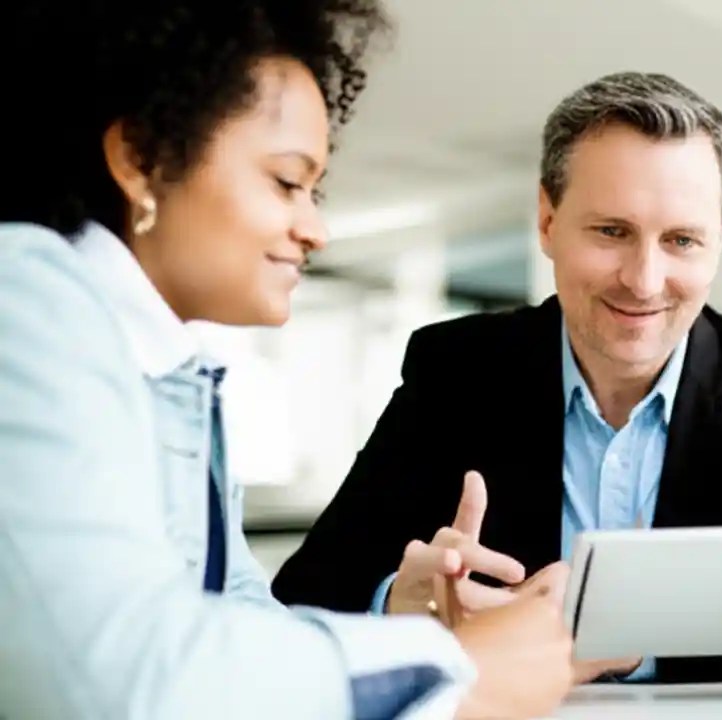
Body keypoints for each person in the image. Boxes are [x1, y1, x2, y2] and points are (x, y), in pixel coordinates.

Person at [0, 2, 573, 718]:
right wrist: (452, 667)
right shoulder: (24, 296)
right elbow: (117, 672)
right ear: (142, 157)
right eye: (285, 182)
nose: (315, 229)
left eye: (315, 191)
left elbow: (237, 618)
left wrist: (401, 612)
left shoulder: (177, 372)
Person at [271, 71, 722, 683]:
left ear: (719, 243)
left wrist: (626, 645)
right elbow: (303, 597)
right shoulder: (456, 371)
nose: (644, 280)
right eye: (612, 232)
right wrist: (402, 604)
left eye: (682, 240)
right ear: (548, 222)